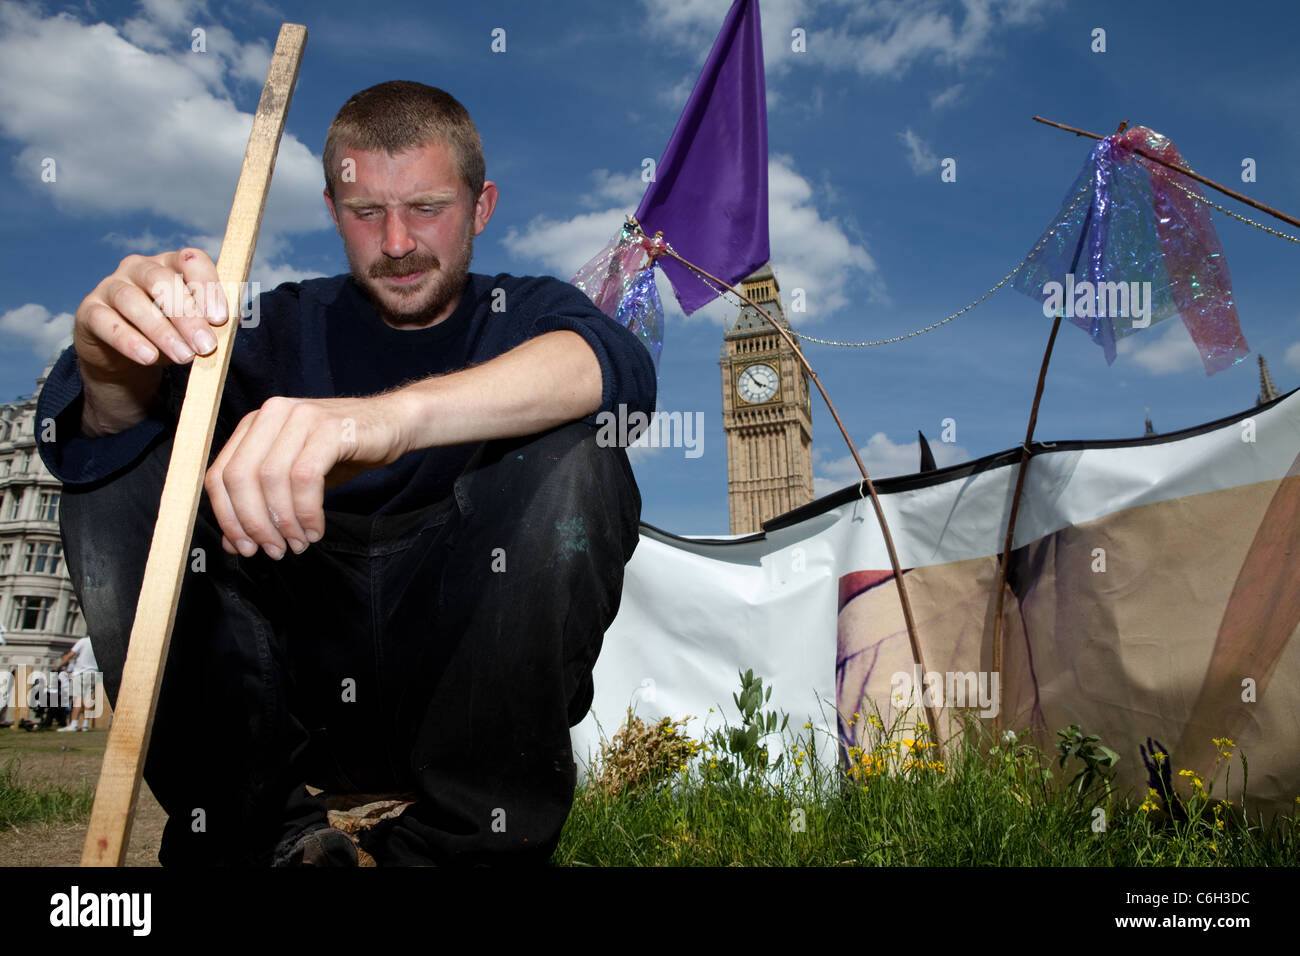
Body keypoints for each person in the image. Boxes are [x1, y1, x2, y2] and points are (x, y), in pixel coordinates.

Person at [35, 81, 656, 866]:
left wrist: (387, 422)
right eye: (367, 214)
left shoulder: (528, 313)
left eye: (427, 207)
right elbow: (101, 443)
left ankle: (457, 851)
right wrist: (108, 362)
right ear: (333, 212)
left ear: (482, 206)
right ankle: (266, 845)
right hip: (283, 686)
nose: (397, 242)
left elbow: (616, 371)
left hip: (460, 676)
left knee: (581, 458)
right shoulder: (264, 327)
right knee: (119, 470)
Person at [55, 635, 100, 732]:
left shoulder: (83, 641)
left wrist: (58, 666)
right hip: (94, 673)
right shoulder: (99, 643)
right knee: (88, 699)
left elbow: (70, 654)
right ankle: (85, 725)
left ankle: (74, 724)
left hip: (81, 673)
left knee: (77, 699)